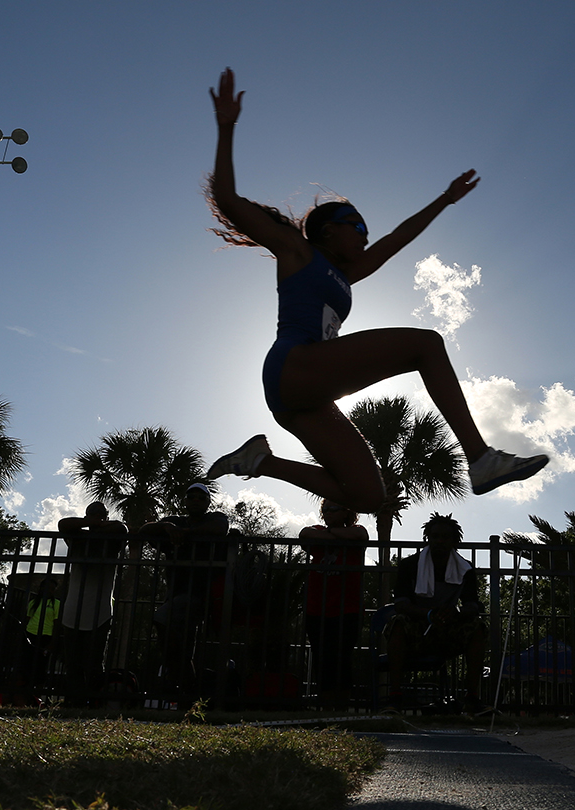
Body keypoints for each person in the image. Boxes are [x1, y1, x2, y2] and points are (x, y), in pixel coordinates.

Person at [201, 67, 549, 509]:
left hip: (305, 396)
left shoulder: (347, 273)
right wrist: (227, 127)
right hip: (295, 366)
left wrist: (444, 200)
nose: (366, 235)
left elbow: (397, 239)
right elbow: (229, 201)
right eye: (357, 226)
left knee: (368, 497)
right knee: (426, 345)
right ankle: (479, 458)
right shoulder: (297, 252)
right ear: (327, 231)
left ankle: (260, 461)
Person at [383, 513, 487, 713]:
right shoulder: (409, 565)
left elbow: (473, 605)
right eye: (435, 536)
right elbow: (401, 604)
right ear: (427, 538)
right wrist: (428, 614)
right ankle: (394, 698)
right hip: (417, 629)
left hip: (450, 628)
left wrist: (455, 613)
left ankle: (472, 698)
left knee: (478, 628)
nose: (440, 541)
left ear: (454, 541)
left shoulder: (466, 569)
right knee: (397, 623)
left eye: (445, 537)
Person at [139, 483, 230, 693]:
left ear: (208, 502)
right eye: (192, 496)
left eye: (201, 497)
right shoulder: (174, 522)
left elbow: (220, 529)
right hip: (175, 593)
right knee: (181, 645)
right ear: (185, 501)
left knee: (162, 621)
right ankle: (188, 692)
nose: (196, 500)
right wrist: (166, 527)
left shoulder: (214, 518)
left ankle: (185, 683)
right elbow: (145, 531)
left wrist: (185, 533)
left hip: (201, 594)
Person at [299, 499, 369, 709]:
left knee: (341, 657)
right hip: (316, 608)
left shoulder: (356, 530)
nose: (328, 513)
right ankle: (325, 705)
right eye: (325, 509)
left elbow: (360, 536)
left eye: (333, 509)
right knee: (321, 657)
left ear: (346, 512)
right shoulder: (318, 530)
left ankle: (341, 706)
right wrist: (333, 535)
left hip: (347, 608)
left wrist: (329, 537)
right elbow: (304, 534)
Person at [56, 502, 128, 703]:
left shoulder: (113, 540)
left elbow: (123, 528)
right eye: (92, 514)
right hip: (72, 611)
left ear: (106, 517)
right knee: (72, 663)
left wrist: (99, 525)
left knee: (94, 663)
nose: (96, 517)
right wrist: (89, 523)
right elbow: (63, 524)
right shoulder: (78, 538)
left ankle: (95, 702)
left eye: (100, 514)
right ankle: (73, 702)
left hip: (100, 612)